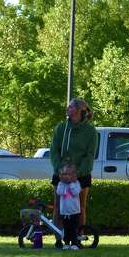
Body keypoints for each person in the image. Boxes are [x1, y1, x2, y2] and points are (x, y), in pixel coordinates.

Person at [49, 98, 96, 230]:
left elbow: (89, 155)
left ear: (79, 110)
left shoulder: (90, 131)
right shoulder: (60, 128)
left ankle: (78, 236)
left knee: (80, 207)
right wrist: (60, 170)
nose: (67, 109)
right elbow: (54, 151)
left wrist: (77, 173)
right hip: (60, 174)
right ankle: (59, 237)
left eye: (70, 107)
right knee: (58, 207)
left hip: (81, 175)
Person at [54, 162, 82, 250]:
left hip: (75, 211)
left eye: (69, 174)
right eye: (65, 174)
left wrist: (71, 184)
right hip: (65, 211)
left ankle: (74, 243)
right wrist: (65, 186)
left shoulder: (76, 183)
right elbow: (60, 192)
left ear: (74, 175)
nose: (67, 176)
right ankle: (66, 243)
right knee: (66, 228)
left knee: (73, 228)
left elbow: (75, 192)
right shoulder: (61, 184)